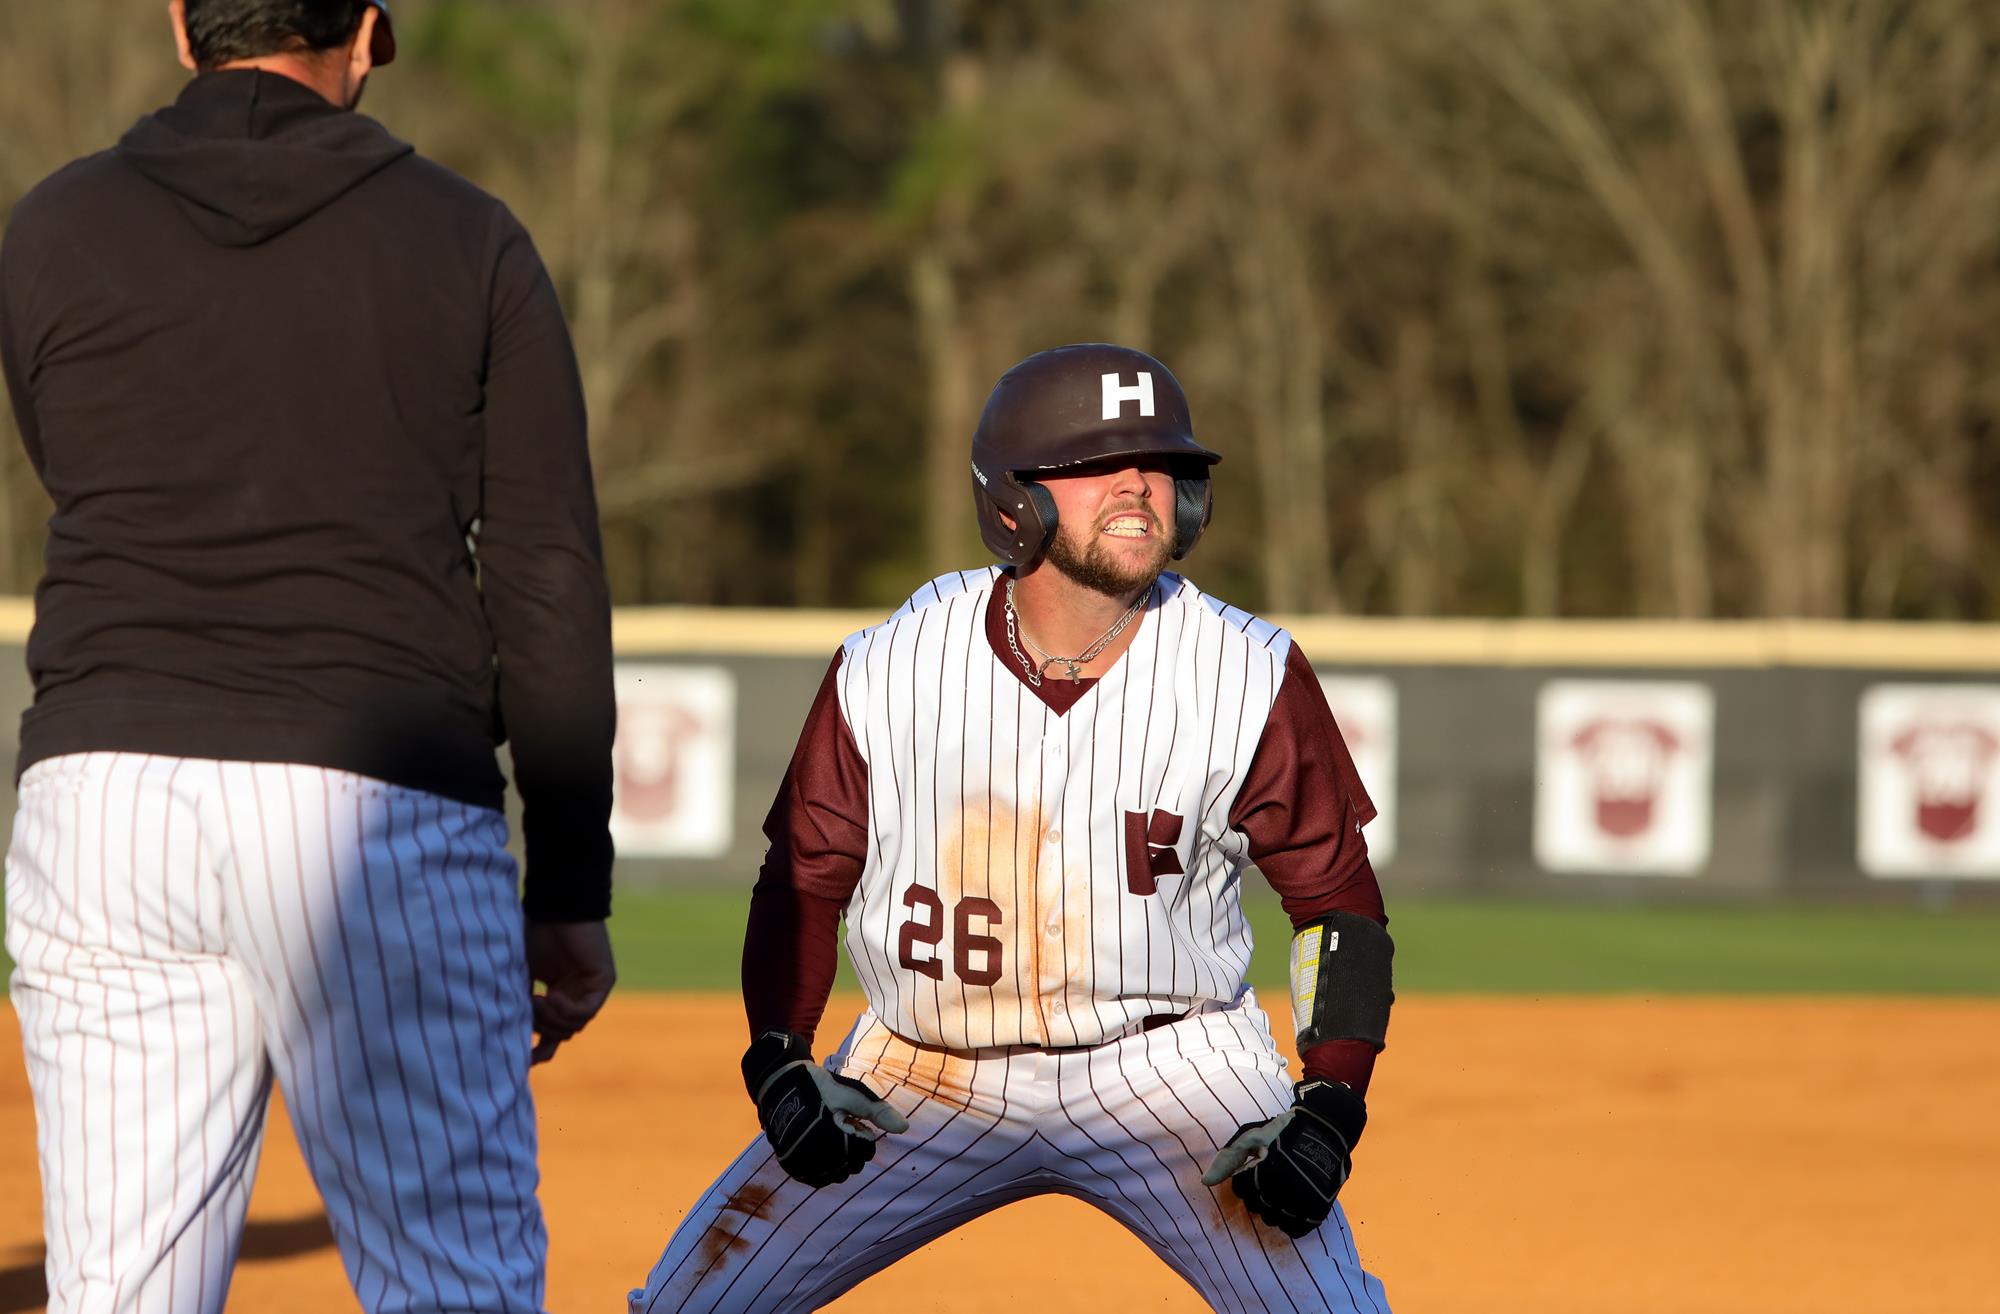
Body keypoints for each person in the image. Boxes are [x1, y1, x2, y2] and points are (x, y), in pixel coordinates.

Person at [0, 2, 618, 1310]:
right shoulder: (469, 238)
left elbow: (83, 464)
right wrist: (570, 878)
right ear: (369, 32)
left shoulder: (50, 225)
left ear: (182, 27)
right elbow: (544, 574)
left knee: (120, 1288)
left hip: (102, 793)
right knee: (453, 1277)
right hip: (369, 785)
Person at [630, 343, 1394, 1312]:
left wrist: (1328, 1102)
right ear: (1012, 499)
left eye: (1159, 465)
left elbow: (1335, 905)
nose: (1137, 487)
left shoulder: (1246, 671)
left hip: (1171, 1069)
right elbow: (805, 877)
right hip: (921, 1072)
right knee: (683, 1307)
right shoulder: (893, 662)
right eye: (1094, 467)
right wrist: (779, 1058)